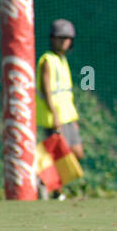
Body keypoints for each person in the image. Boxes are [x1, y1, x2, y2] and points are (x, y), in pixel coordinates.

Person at [36, 18, 84, 198]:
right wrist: (54, 116)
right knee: (58, 155)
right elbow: (46, 90)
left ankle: (45, 182)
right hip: (54, 118)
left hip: (67, 116)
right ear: (52, 39)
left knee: (77, 153)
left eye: (67, 38)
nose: (64, 41)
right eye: (60, 37)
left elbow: (65, 93)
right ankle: (54, 189)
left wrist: (74, 118)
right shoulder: (47, 60)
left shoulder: (62, 60)